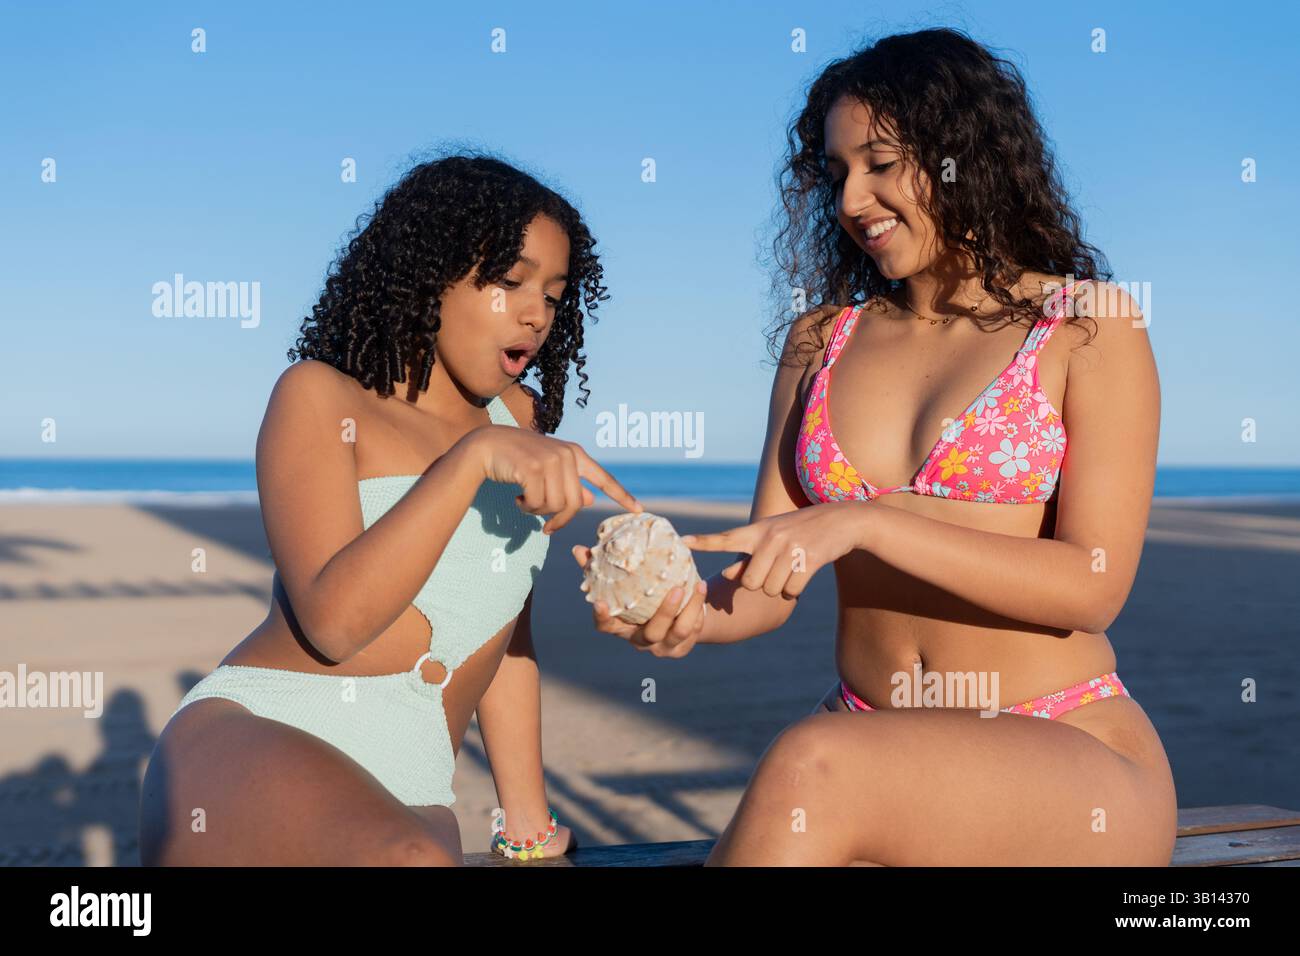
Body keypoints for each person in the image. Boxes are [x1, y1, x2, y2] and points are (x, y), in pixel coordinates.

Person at [574, 28, 1177, 866]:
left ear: (967, 150)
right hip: (873, 736)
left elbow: (1093, 588)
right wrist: (684, 614)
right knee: (816, 771)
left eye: (882, 162)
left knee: (809, 767)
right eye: (836, 174)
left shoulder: (1085, 325)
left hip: (1064, 748)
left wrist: (868, 520)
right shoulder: (821, 339)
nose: (854, 199)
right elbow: (766, 588)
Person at [139, 152, 640, 865]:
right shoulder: (320, 398)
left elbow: (503, 630)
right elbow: (334, 622)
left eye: (556, 295)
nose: (536, 314)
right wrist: (469, 462)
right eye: (509, 282)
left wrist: (525, 823)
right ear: (430, 273)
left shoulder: (517, 421)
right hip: (261, 732)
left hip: (413, 783)